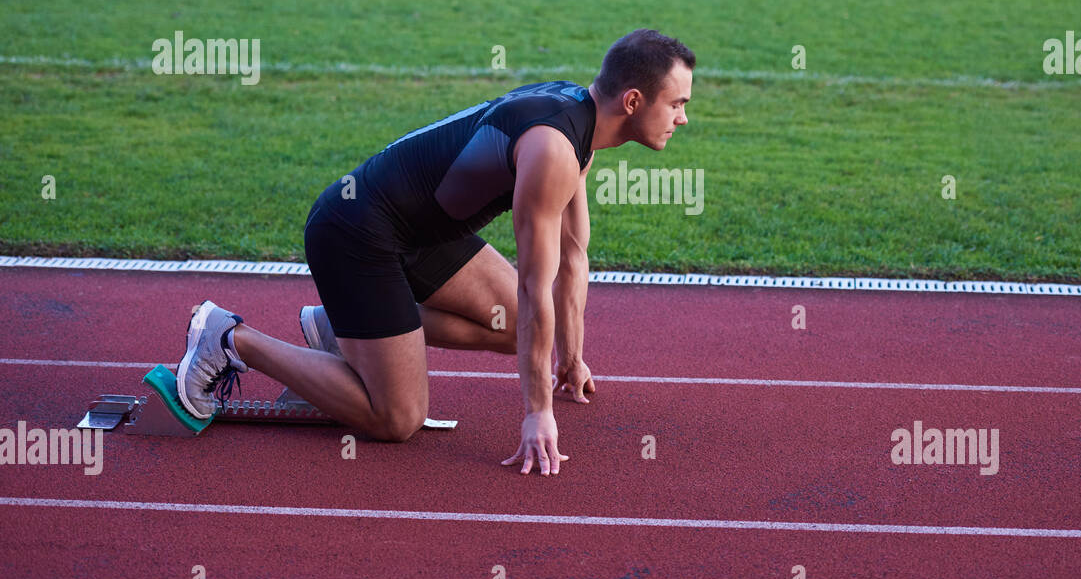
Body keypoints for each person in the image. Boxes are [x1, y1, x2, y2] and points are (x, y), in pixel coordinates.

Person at [174, 29, 694, 476]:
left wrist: (571, 357)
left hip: (421, 235)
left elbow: (574, 253)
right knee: (396, 420)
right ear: (632, 102)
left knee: (522, 328)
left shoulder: (580, 120)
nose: (682, 118)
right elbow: (536, 286)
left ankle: (340, 331)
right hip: (357, 232)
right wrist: (538, 411)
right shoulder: (553, 147)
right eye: (677, 104)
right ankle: (229, 337)